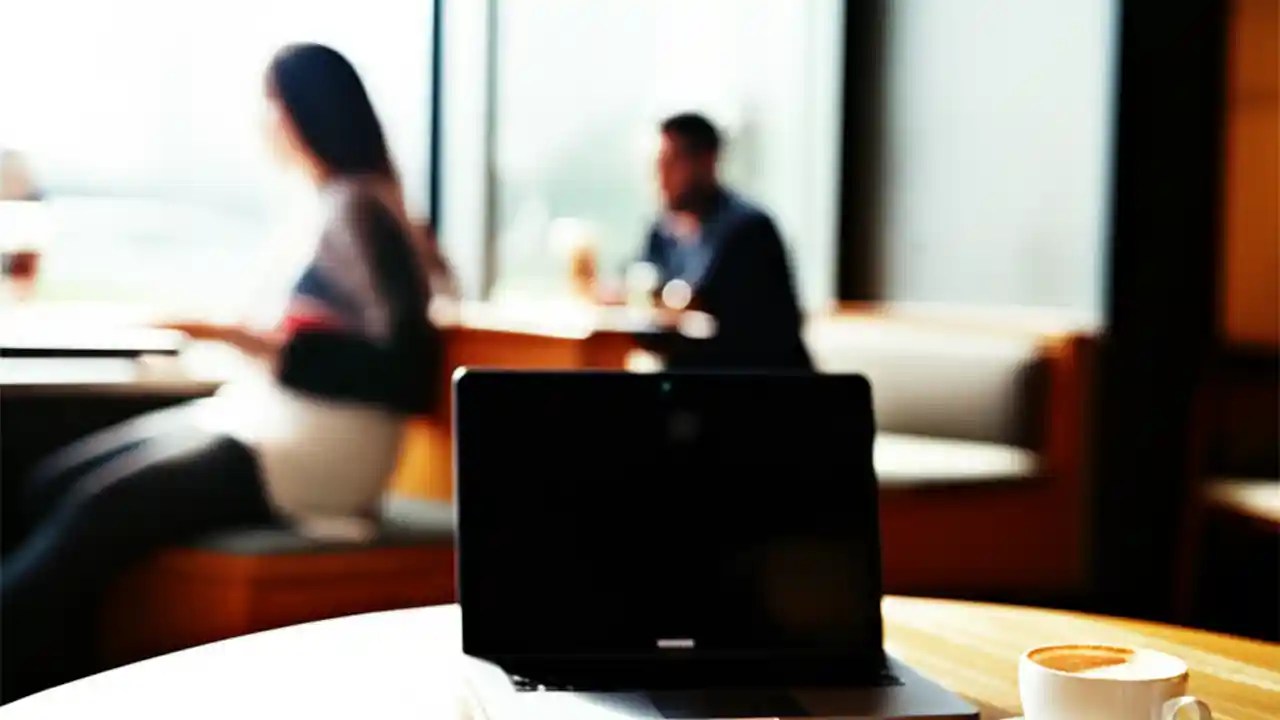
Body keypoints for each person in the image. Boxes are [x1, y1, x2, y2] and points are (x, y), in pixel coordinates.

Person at [0, 43, 440, 702]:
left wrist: (244, 339)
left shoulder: (359, 208)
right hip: (267, 419)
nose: (263, 122)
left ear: (300, 112)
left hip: (314, 450)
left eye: (271, 103)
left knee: (95, 510)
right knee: (56, 479)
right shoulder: (326, 202)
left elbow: (406, 367)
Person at [639, 113, 812, 371]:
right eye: (657, 165)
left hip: (758, 387)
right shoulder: (662, 232)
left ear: (707, 161)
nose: (660, 177)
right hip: (693, 382)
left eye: (671, 162)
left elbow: (722, 316)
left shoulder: (748, 230)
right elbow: (644, 285)